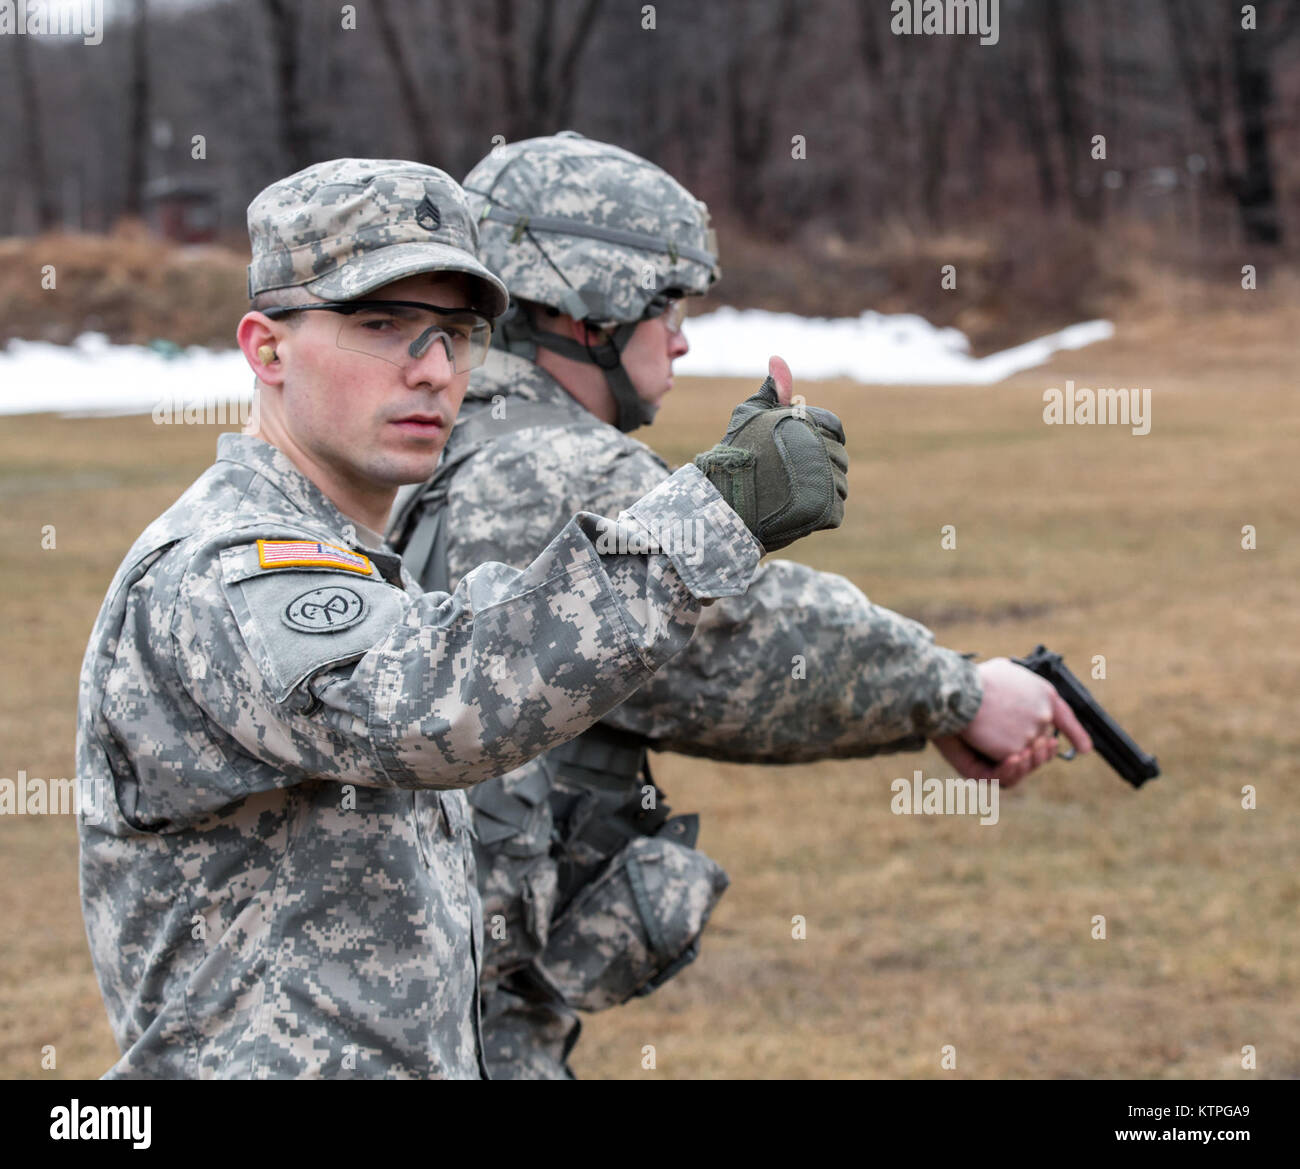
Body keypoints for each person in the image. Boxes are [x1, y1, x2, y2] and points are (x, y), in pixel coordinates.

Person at [74, 157, 848, 1079]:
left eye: (456, 332)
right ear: (266, 348)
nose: (434, 368)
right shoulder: (218, 570)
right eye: (383, 325)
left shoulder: (352, 557)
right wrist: (706, 518)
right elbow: (433, 705)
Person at [387, 133, 1092, 1079]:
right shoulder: (557, 466)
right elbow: (739, 643)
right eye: (665, 305)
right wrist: (959, 692)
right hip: (468, 1029)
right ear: (588, 307)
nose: (680, 337)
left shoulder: (445, 439)